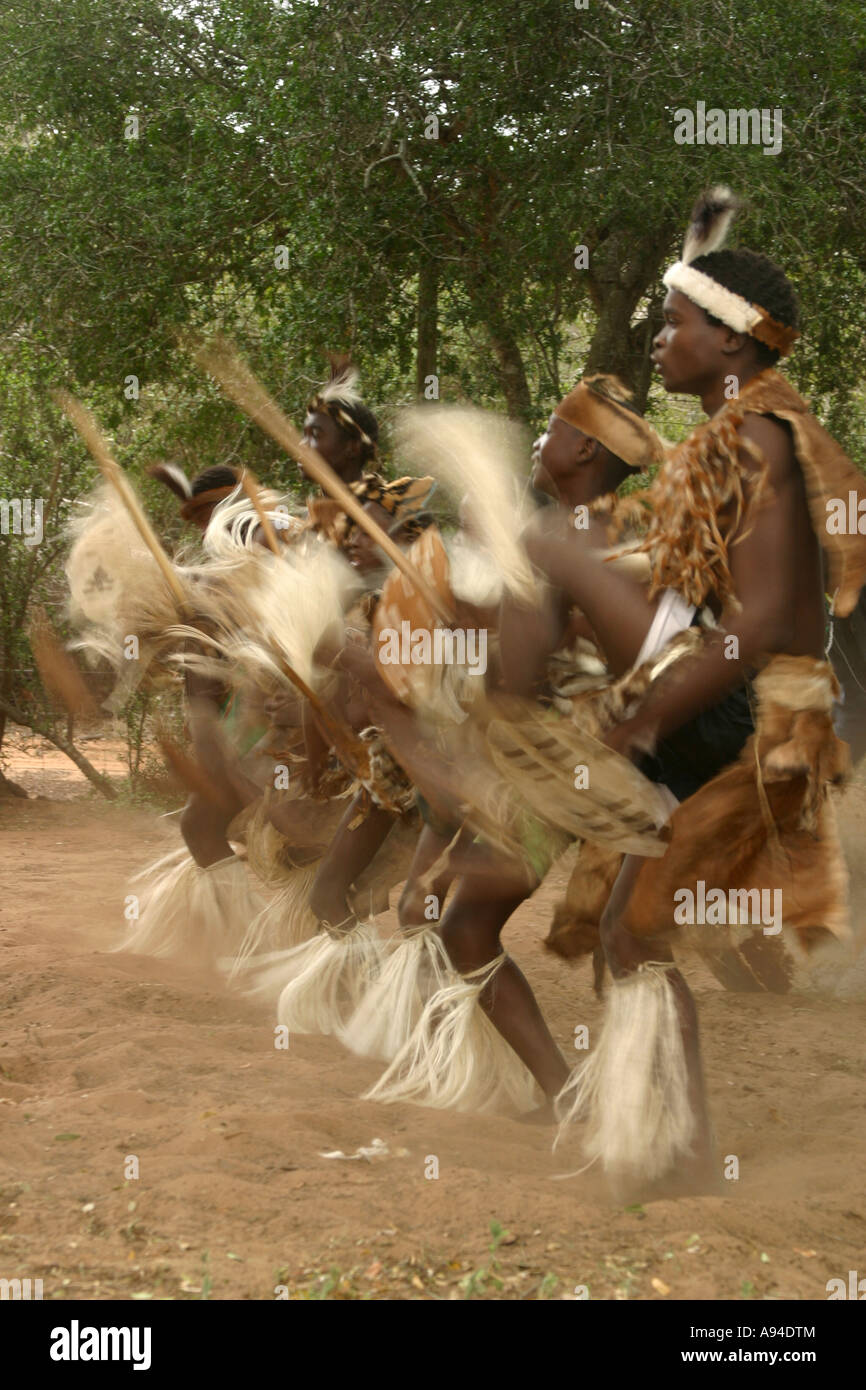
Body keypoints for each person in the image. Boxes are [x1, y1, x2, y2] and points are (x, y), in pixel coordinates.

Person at [503, 187, 866, 1192]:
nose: (659, 340)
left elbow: (748, 628)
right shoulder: (736, 434)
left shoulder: (752, 442)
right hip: (733, 705)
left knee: (630, 933)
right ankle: (675, 1145)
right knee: (628, 936)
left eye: (675, 323)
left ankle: (683, 1155)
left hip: (756, 720)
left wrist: (646, 713)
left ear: (732, 343)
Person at [363, 376, 665, 1115]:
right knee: (464, 921)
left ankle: (609, 1108)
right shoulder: (619, 533)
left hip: (565, 765)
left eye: (554, 429)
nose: (538, 440)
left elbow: (519, 681)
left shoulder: (558, 543)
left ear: (585, 450)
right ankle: (578, 1099)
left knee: (457, 919)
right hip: (603, 760)